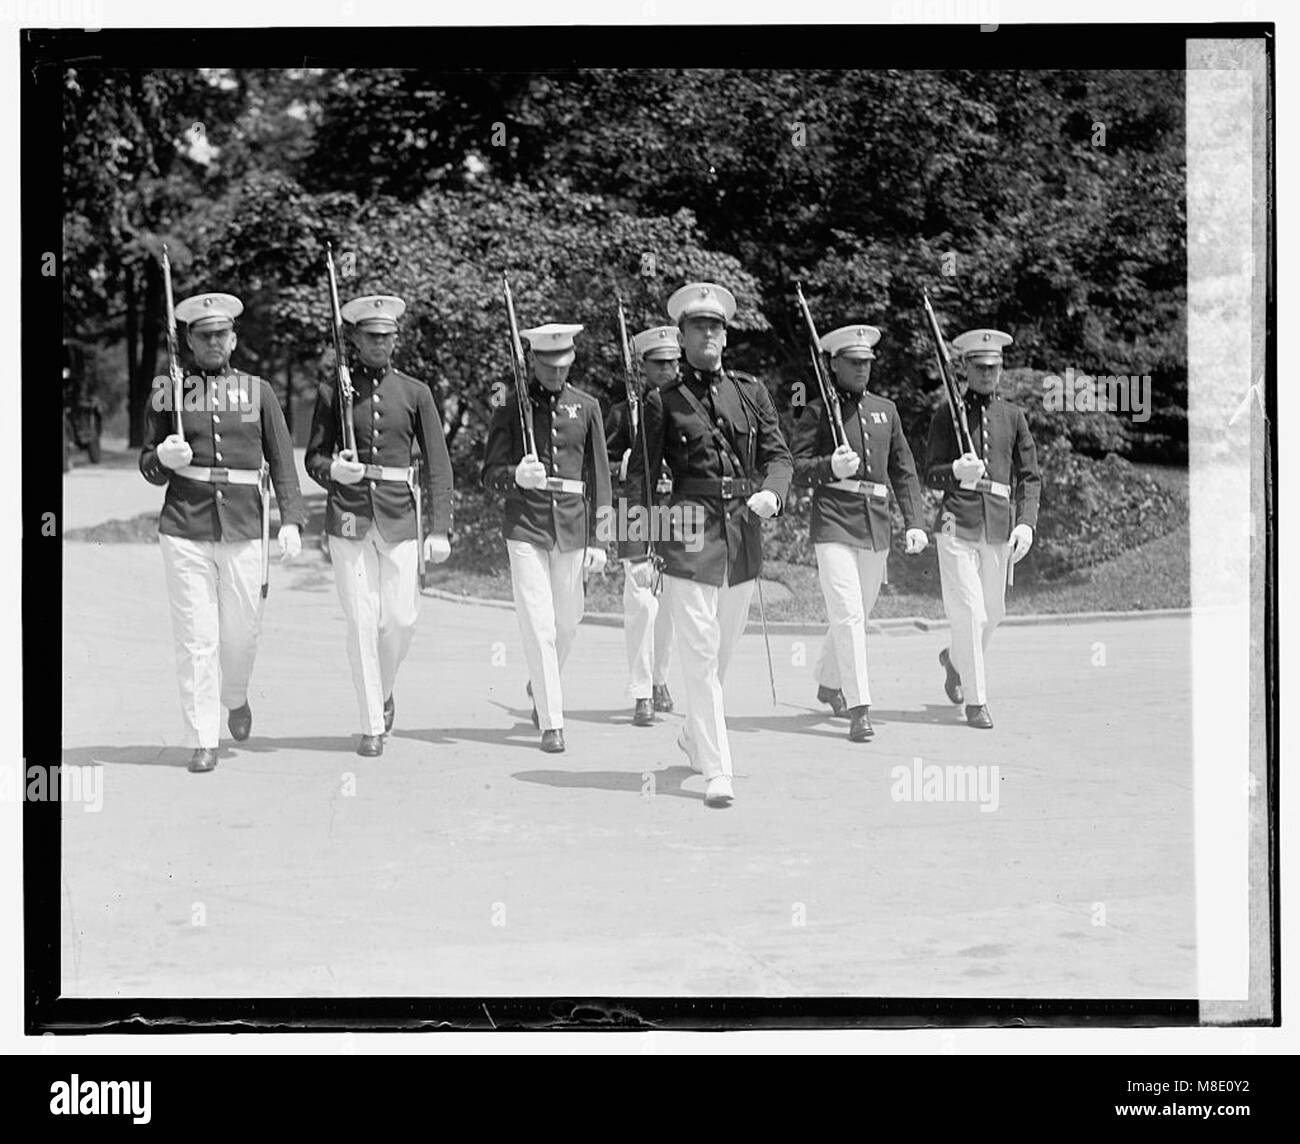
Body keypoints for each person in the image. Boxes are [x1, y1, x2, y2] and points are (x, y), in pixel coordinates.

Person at [626, 283, 793, 808]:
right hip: (687, 536)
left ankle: (694, 735)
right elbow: (642, 477)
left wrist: (773, 492)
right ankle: (719, 770)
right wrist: (637, 547)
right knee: (698, 654)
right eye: (699, 327)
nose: (709, 335)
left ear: (726, 334)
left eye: (716, 326)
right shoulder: (662, 401)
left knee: (721, 651)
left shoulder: (751, 392)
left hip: (742, 532)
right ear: (681, 336)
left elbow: (780, 456)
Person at [140, 291, 305, 773]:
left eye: (221, 334)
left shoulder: (259, 392)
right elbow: (148, 461)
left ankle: (235, 695)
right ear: (189, 341)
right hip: (184, 525)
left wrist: (290, 519)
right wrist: (163, 461)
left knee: (241, 633)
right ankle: (202, 737)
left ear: (233, 340)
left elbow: (281, 460)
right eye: (203, 335)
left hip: (243, 524)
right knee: (197, 637)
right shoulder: (167, 391)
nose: (213, 342)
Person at [305, 294, 453, 757]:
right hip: (348, 514)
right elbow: (314, 457)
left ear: (396, 339)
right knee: (362, 621)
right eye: (371, 336)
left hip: (398, 512)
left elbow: (438, 465)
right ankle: (372, 720)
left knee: (400, 620)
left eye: (387, 336)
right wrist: (334, 470)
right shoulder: (334, 391)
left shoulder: (416, 392)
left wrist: (440, 527)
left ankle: (384, 689)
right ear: (354, 338)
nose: (379, 344)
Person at [791, 323, 928, 742]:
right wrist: (829, 467)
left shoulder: (885, 409)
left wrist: (916, 521)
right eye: (853, 362)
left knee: (858, 614)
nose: (862, 369)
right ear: (833, 364)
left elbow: (903, 469)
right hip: (833, 517)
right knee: (848, 613)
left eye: (867, 362)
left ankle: (828, 680)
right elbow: (794, 469)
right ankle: (859, 707)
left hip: (875, 521)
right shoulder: (814, 412)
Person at [481, 323, 612, 753]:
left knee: (566, 624)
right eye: (548, 366)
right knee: (538, 624)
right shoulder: (510, 404)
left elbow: (600, 478)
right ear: (532, 362)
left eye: (564, 365)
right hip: (526, 524)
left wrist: (601, 539)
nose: (557, 374)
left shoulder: (587, 406)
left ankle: (541, 684)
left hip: (573, 525)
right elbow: (489, 473)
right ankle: (552, 721)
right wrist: (515, 476)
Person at [924, 328, 1041, 729]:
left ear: (1001, 368)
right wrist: (955, 471)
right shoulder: (947, 414)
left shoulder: (1013, 416)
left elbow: (1030, 477)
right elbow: (930, 475)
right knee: (971, 613)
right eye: (979, 367)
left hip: (998, 524)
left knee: (994, 612)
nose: (988, 374)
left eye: (994, 366)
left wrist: (1025, 523)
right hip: (957, 522)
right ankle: (976, 702)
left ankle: (955, 661)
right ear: (966, 368)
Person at [604, 324, 680, 726]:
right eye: (658, 364)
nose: (667, 370)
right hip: (636, 511)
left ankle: (660, 678)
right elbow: (599, 463)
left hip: (677, 511)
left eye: (672, 362)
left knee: (667, 603)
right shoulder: (622, 413)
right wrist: (628, 459)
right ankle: (641, 691)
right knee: (641, 602)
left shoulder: (688, 408)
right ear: (643, 368)